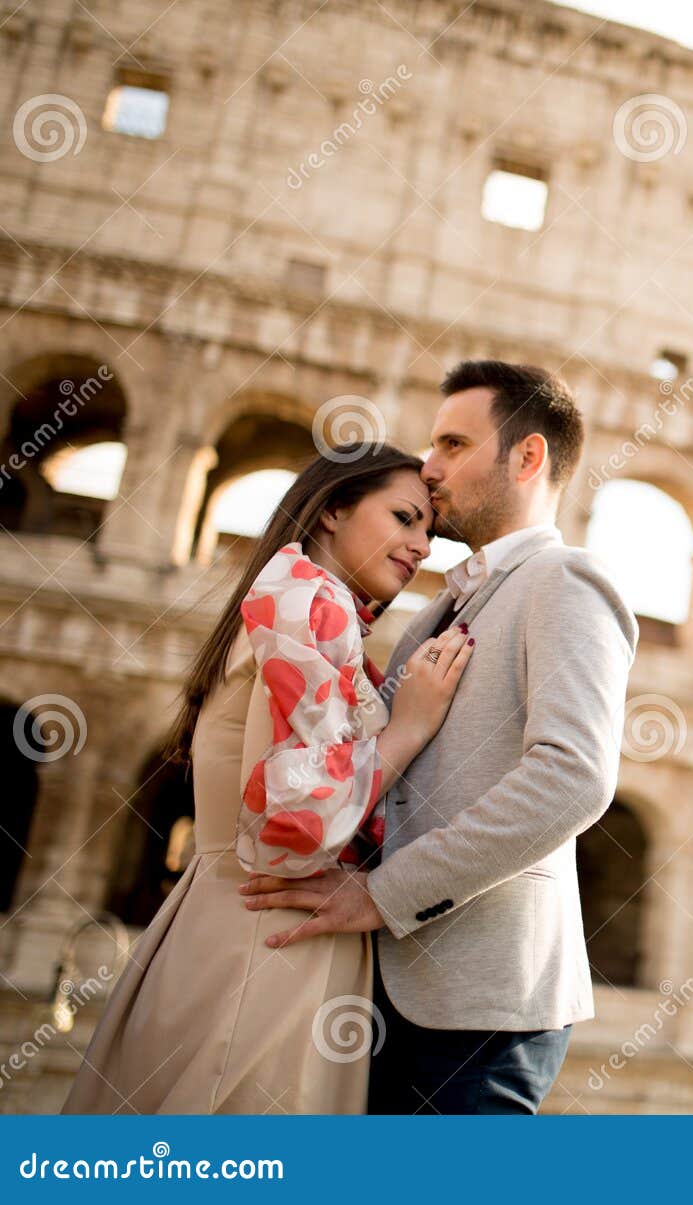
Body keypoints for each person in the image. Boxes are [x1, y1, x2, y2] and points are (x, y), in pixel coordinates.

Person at [240, 360, 639, 1114]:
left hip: (480, 1000)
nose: (429, 467)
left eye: (454, 444)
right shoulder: (433, 612)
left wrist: (383, 895)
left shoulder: (566, 579)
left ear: (527, 457)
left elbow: (574, 777)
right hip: (390, 985)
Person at [63, 443, 472, 1113]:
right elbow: (299, 820)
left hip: (223, 929)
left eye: (430, 529)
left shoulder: (287, 597)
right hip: (271, 940)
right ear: (333, 510)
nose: (423, 544)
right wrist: (411, 726)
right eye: (405, 517)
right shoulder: (312, 603)